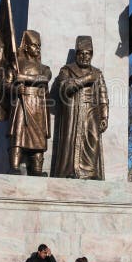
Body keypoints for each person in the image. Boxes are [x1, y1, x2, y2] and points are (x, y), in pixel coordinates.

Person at [51, 36, 109, 180]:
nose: (84, 56)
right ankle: (69, 171)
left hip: (92, 112)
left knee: (93, 138)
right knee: (70, 140)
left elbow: (103, 96)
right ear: (76, 54)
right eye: (81, 53)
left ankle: (90, 173)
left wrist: (104, 116)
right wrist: (86, 79)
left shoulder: (97, 73)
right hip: (72, 112)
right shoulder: (67, 70)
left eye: (88, 53)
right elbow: (64, 88)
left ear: (92, 54)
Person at [6, 30, 52, 176]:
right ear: (26, 46)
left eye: (39, 46)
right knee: (18, 135)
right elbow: (6, 85)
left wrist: (23, 77)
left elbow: (44, 79)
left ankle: (37, 169)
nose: (37, 49)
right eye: (34, 45)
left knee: (38, 139)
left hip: (38, 104)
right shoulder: (15, 64)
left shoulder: (44, 68)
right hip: (22, 102)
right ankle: (14, 166)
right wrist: (14, 88)